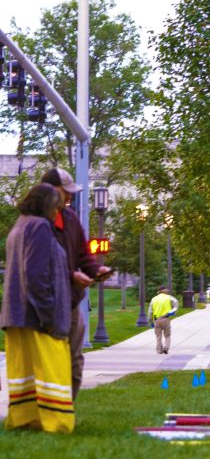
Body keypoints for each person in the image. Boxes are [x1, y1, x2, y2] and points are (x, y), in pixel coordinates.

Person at [0, 183, 74, 432]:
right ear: (47, 205)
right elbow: (35, 274)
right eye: (57, 207)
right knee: (52, 369)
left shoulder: (20, 226)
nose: (57, 212)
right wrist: (49, 315)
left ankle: (26, 418)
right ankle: (56, 421)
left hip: (16, 314)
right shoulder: (40, 227)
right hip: (38, 316)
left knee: (26, 371)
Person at [41, 167, 111, 399]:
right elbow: (40, 264)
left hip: (70, 302)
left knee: (75, 361)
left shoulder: (70, 218)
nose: (70, 196)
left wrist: (96, 269)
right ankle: (49, 408)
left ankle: (66, 406)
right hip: (45, 304)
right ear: (51, 190)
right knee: (50, 362)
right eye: (66, 191)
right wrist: (72, 275)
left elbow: (83, 254)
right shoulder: (37, 221)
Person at [148, 286, 179, 354]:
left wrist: (150, 321)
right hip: (166, 318)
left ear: (158, 292)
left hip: (156, 320)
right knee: (167, 335)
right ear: (165, 291)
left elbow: (150, 311)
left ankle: (159, 350)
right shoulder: (169, 297)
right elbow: (176, 303)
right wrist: (172, 312)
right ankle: (166, 347)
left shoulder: (154, 299)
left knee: (158, 336)